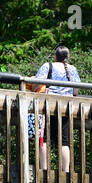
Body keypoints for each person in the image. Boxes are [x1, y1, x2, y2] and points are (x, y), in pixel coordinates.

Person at [34, 45, 80, 174]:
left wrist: (33, 88)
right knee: (64, 141)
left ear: (55, 56)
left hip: (49, 106)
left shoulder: (47, 66)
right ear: (67, 57)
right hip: (66, 107)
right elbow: (75, 90)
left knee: (44, 138)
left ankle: (44, 169)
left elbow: (37, 83)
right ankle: (66, 171)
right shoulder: (72, 69)